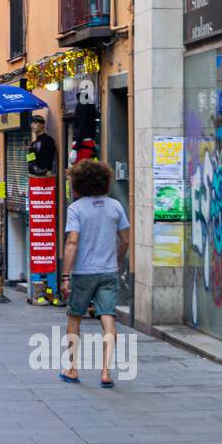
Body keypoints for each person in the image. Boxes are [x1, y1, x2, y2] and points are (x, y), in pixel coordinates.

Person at [59, 159, 130, 389]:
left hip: (83, 272)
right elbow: (126, 239)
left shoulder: (76, 209)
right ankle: (106, 372)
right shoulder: (115, 206)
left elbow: (72, 242)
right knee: (108, 317)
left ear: (79, 183)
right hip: (108, 271)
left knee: (75, 317)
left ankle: (72, 368)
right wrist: (116, 260)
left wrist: (65, 275)